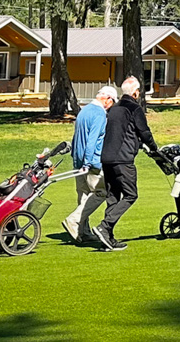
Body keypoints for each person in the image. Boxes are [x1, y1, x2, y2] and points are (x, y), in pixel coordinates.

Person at [89, 76, 158, 251]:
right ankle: (104, 227)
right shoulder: (134, 108)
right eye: (139, 91)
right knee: (130, 195)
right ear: (135, 92)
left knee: (113, 197)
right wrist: (154, 147)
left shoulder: (113, 108)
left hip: (107, 158)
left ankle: (107, 238)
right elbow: (144, 131)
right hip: (123, 159)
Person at [61, 85, 117, 244]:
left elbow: (77, 136)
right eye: (112, 102)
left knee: (84, 196)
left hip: (78, 160)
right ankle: (74, 221)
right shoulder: (99, 114)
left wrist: (78, 160)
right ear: (107, 99)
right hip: (91, 161)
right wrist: (88, 163)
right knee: (101, 192)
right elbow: (92, 140)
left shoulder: (83, 111)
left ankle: (82, 231)